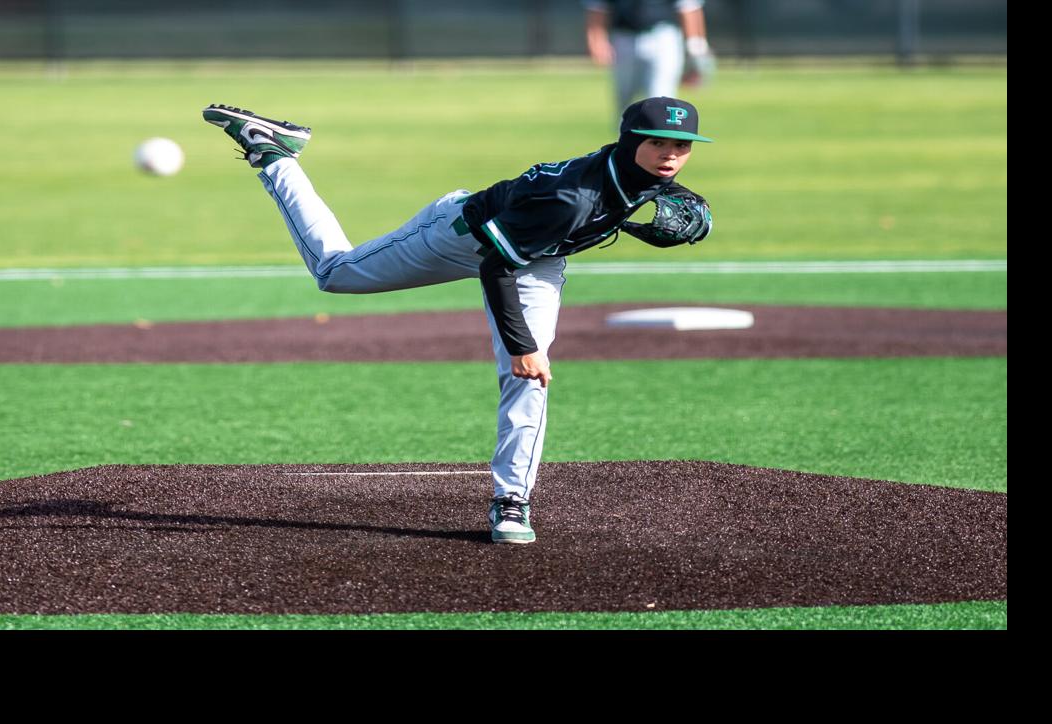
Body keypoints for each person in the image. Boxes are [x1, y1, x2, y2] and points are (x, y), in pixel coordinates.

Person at [200, 98, 713, 545]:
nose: (671, 154)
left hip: (535, 257)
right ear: (630, 142)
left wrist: (669, 213)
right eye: (659, 143)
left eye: (682, 145)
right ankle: (272, 154)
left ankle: (512, 499)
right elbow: (497, 265)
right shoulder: (572, 197)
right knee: (335, 274)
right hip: (458, 236)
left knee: (532, 382)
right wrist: (520, 344)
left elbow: (628, 202)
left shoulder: (642, 174)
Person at [584, 1, 716, 116]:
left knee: (661, 100)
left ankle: (659, 141)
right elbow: (598, 6)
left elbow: (688, 7)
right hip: (624, 37)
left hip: (663, 37)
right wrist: (597, 39)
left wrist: (695, 47)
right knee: (625, 102)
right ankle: (627, 143)